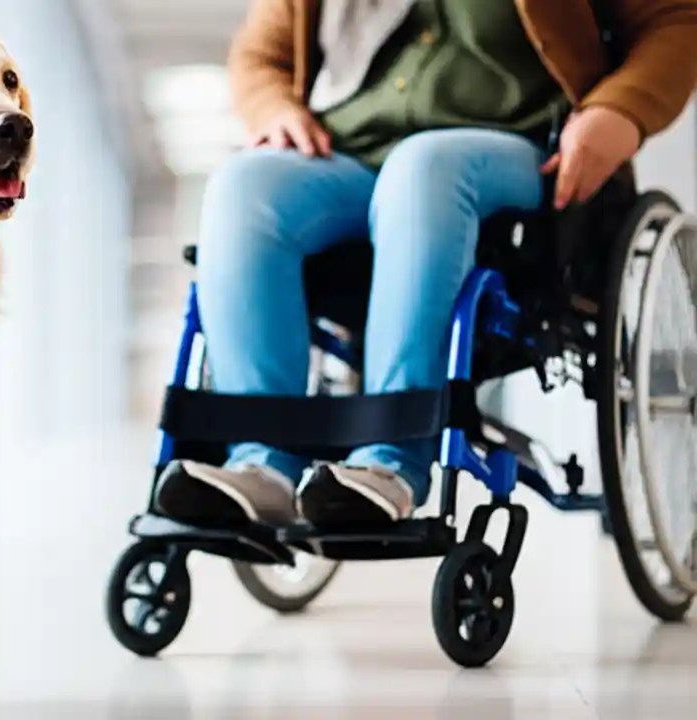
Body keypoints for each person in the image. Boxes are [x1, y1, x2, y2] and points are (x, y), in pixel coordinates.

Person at [155, 0, 697, 530]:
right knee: (245, 184)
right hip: (352, 155)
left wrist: (620, 110)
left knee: (423, 168)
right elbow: (261, 52)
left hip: (513, 152)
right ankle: (261, 462)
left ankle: (391, 462)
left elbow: (675, 21)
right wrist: (274, 106)